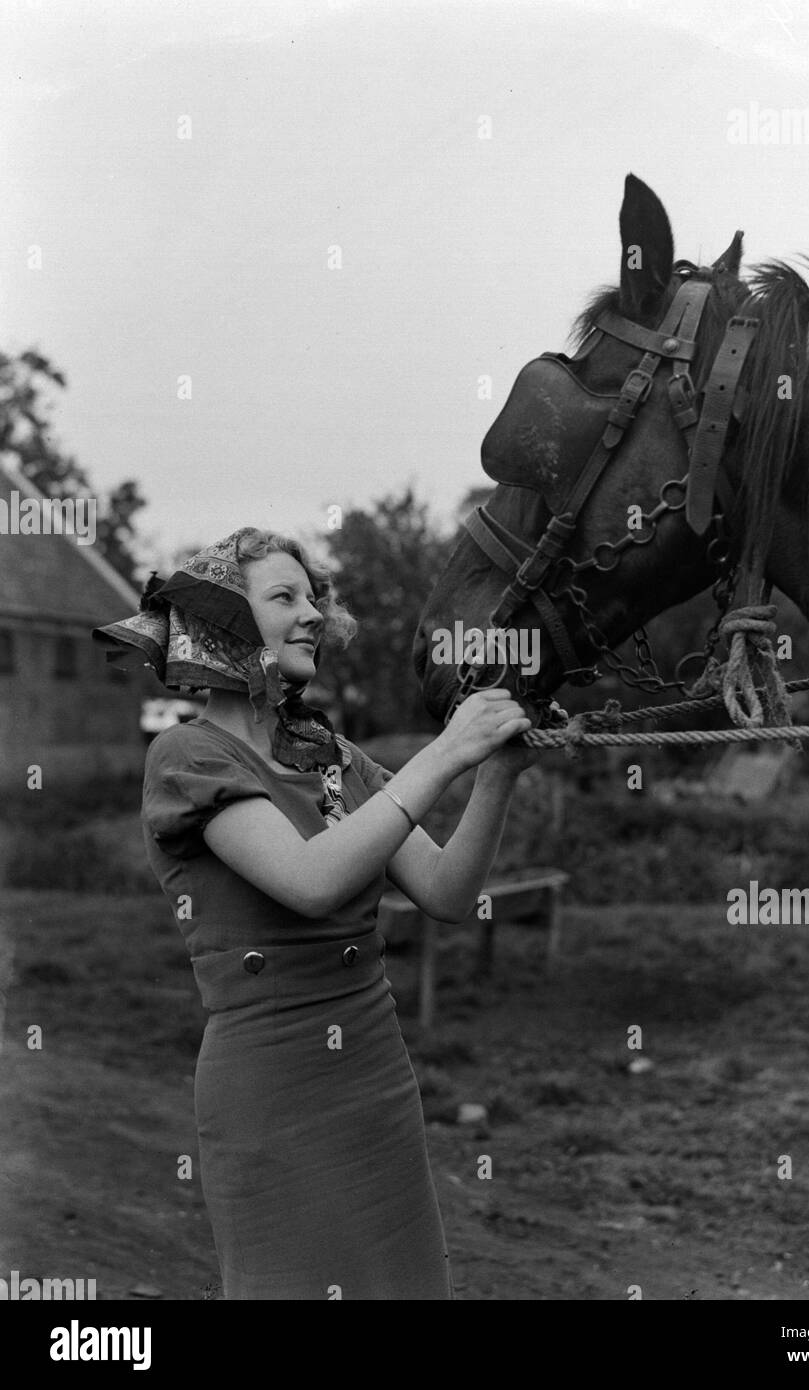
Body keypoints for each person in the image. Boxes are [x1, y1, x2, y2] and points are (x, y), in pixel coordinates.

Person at [92, 526, 535, 1300]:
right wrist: (445, 752)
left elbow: (447, 893)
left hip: (375, 1075)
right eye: (283, 598)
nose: (312, 616)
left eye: (313, 599)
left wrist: (495, 775)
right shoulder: (188, 757)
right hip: (273, 1087)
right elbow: (310, 881)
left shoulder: (332, 756)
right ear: (223, 624)